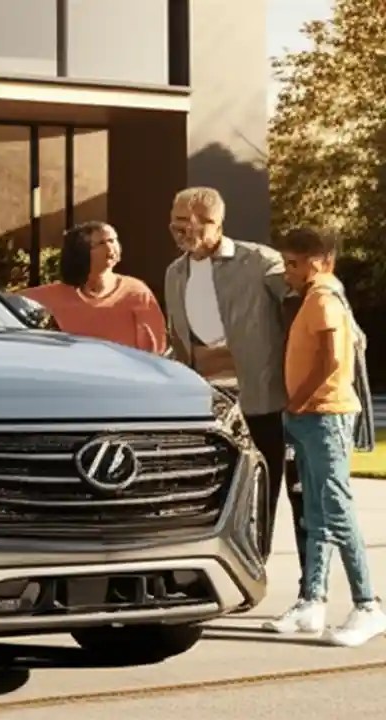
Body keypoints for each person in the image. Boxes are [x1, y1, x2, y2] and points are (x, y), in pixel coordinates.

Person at [163, 187, 305, 584]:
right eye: (174, 218)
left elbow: (304, 302)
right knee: (217, 494)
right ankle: (227, 574)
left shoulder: (260, 262)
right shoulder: (175, 273)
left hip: (264, 400)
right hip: (208, 404)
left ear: (213, 222)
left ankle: (307, 587)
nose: (177, 227)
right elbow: (180, 339)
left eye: (186, 220)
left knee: (274, 491)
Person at [262, 227, 384, 645]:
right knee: (313, 512)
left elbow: (333, 359)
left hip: (325, 417)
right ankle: (312, 602)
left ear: (319, 260)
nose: (287, 271)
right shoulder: (318, 297)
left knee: (336, 510)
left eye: (293, 263)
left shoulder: (325, 298)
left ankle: (368, 605)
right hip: (311, 418)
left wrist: (298, 399)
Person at [19, 221, 167, 354]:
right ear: (80, 252)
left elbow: (156, 347)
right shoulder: (51, 295)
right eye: (101, 243)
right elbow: (4, 304)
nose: (111, 247)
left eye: (113, 240)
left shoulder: (136, 291)